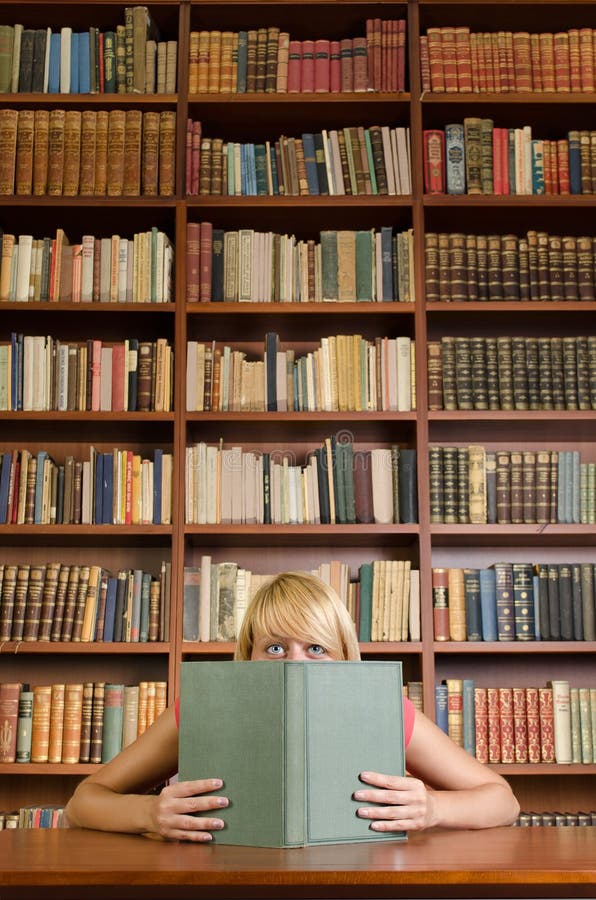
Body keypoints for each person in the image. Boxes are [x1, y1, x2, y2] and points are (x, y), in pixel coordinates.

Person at [64, 571, 519, 840]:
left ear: (343, 656)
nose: (296, 663)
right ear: (249, 656)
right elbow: (82, 803)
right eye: (276, 648)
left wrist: (434, 809)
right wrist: (148, 813)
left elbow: (503, 801)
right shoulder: (199, 709)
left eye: (316, 648)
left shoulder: (386, 708)